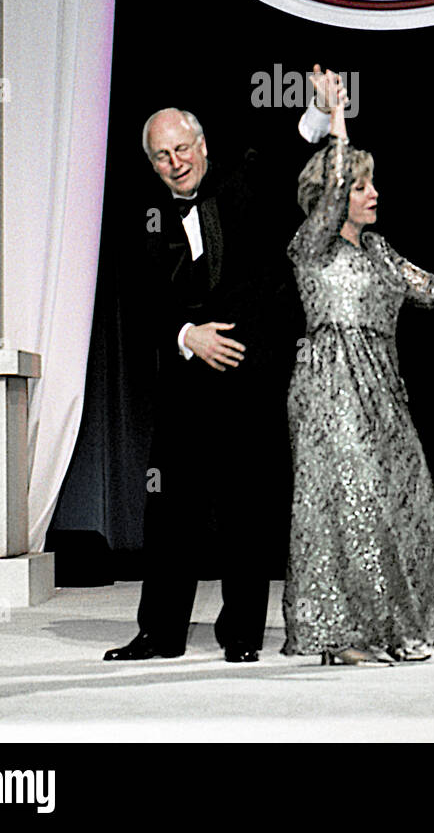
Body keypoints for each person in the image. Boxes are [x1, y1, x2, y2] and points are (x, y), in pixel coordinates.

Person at [283, 81, 434, 666]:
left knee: (406, 504)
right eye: (362, 186)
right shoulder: (309, 246)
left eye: (369, 185)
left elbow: (426, 286)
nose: (372, 193)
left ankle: (390, 625)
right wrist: (336, 117)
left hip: (383, 390)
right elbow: (335, 186)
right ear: (330, 195)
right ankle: (341, 638)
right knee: (351, 508)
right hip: (329, 392)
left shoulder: (379, 252)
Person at [104, 80, 337, 664]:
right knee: (171, 514)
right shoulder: (143, 215)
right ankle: (160, 633)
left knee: (246, 510)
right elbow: (135, 302)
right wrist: (187, 336)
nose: (175, 162)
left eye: (182, 149)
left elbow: (289, 153)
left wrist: (318, 110)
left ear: (203, 146)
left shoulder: (244, 184)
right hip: (185, 383)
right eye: (162, 155)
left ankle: (241, 634)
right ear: (151, 163)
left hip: (249, 380)